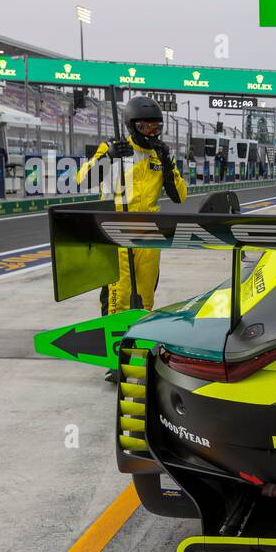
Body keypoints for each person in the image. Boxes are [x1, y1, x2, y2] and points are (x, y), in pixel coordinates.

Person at [78, 96, 188, 378]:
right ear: (132, 126)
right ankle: (114, 359)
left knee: (146, 296)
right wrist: (108, 157)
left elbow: (180, 196)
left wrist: (167, 164)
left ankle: (140, 353)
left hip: (149, 232)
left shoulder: (161, 154)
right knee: (119, 295)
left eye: (157, 127)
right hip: (116, 229)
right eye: (147, 127)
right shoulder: (111, 148)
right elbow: (83, 180)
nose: (153, 133)